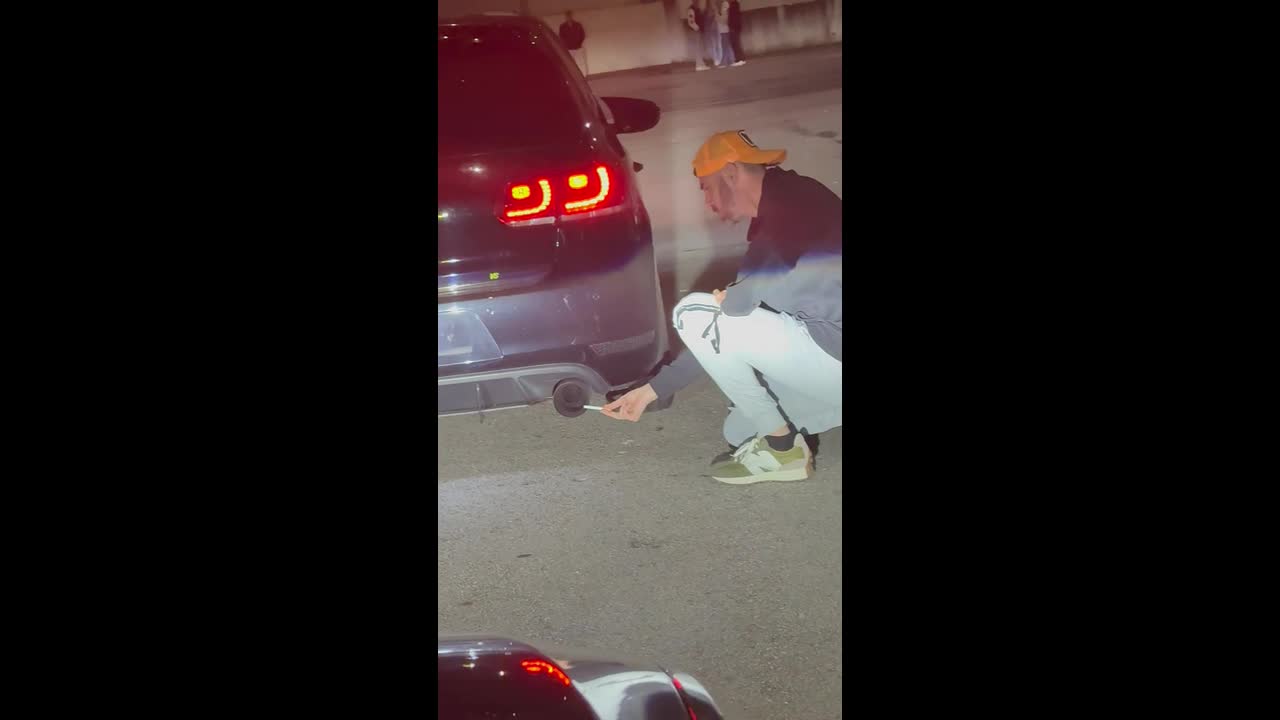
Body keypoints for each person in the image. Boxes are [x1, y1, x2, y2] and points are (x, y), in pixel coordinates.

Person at [601, 131, 842, 484]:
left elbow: (732, 312)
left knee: (693, 313)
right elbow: (725, 329)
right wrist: (651, 391)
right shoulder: (787, 204)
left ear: (730, 173)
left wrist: (731, 299)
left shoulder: (793, 203)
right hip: (828, 350)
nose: (707, 202)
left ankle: (782, 451)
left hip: (833, 347)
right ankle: (786, 431)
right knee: (740, 430)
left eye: (706, 188)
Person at [559, 10, 588, 77]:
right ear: (565, 17)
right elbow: (561, 37)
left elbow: (582, 35)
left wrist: (579, 42)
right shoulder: (562, 26)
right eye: (567, 16)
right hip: (569, 48)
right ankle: (573, 76)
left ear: (572, 16)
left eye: (570, 16)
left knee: (581, 63)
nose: (569, 17)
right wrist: (566, 44)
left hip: (578, 47)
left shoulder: (578, 25)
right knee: (570, 63)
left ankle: (583, 76)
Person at [685, 1, 710, 71]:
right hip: (696, 31)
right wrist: (697, 28)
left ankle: (701, 64)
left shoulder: (696, 9)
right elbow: (691, 21)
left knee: (700, 48)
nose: (698, 2)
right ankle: (699, 65)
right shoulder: (691, 10)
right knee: (698, 48)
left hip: (699, 31)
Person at [715, 1, 737, 67]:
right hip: (721, 29)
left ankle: (725, 61)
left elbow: (725, 18)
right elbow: (717, 18)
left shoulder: (725, 4)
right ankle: (731, 60)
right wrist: (718, 17)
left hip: (726, 28)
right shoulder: (717, 6)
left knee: (725, 45)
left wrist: (718, 18)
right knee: (726, 45)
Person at [727, 0, 746, 66]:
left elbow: (734, 18)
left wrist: (732, 26)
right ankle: (739, 59)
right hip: (734, 27)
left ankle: (740, 59)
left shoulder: (734, 5)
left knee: (736, 43)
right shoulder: (734, 5)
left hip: (734, 27)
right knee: (735, 43)